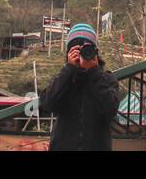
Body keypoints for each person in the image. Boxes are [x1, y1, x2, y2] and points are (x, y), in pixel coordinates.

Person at [39, 23, 120, 151]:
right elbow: (47, 104)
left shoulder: (107, 79)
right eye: (76, 50)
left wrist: (94, 72)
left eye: (87, 49)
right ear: (68, 53)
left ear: (96, 52)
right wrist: (69, 70)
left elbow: (110, 111)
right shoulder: (62, 79)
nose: (83, 53)